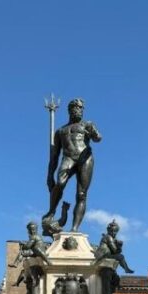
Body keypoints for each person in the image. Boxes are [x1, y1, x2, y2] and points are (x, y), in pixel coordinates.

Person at [45, 97, 102, 232]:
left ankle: (75, 228)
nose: (79, 110)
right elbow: (54, 156)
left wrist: (94, 133)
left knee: (81, 194)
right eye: (76, 108)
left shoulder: (87, 124)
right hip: (68, 158)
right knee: (59, 183)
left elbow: (98, 138)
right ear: (70, 110)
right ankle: (51, 211)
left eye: (81, 108)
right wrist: (49, 175)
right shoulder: (60, 131)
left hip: (85, 158)